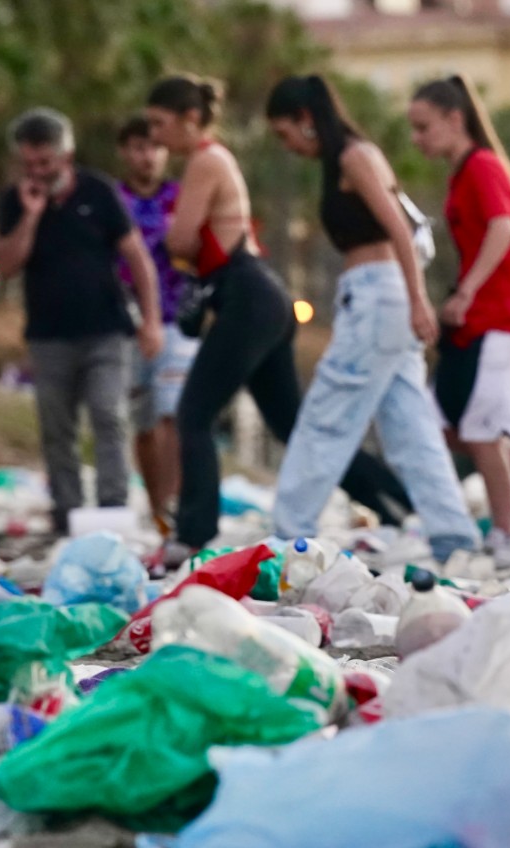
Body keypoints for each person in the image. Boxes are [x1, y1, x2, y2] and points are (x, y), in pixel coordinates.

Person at [145, 75, 414, 559]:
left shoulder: (205, 160)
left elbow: (181, 241)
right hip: (262, 299)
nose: (154, 136)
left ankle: (191, 536)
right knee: (297, 426)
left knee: (194, 414)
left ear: (189, 120)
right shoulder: (212, 160)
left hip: (248, 297)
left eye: (159, 124)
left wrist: (168, 236)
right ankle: (396, 501)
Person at [266, 75, 477, 562]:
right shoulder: (352, 156)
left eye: (285, 134)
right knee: (409, 425)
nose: (289, 147)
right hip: (383, 297)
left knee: (326, 417)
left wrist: (417, 299)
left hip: (380, 297)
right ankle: (454, 535)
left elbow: (400, 231)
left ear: (305, 119)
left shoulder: (354, 158)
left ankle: (285, 536)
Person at [408, 75, 510, 565]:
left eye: (424, 127)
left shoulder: (482, 167)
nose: (417, 139)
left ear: (456, 120)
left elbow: (502, 226)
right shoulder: (462, 173)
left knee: (480, 428)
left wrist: (467, 290)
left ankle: (506, 532)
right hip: (478, 320)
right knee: (441, 423)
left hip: (504, 317)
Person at [0, 108, 164, 537]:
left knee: (108, 413)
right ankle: (67, 514)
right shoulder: (13, 201)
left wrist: (152, 320)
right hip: (49, 336)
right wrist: (30, 215)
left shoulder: (99, 192)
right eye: (29, 164)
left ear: (65, 157)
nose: (38, 171)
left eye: (45, 163)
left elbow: (137, 257)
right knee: (56, 428)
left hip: (107, 330)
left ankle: (112, 509)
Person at [114, 115, 196, 537]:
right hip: (125, 327)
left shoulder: (181, 197)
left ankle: (175, 506)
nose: (146, 156)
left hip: (177, 321)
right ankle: (156, 507)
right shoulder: (113, 200)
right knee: (144, 422)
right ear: (124, 152)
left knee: (173, 415)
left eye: (153, 147)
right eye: (137, 147)